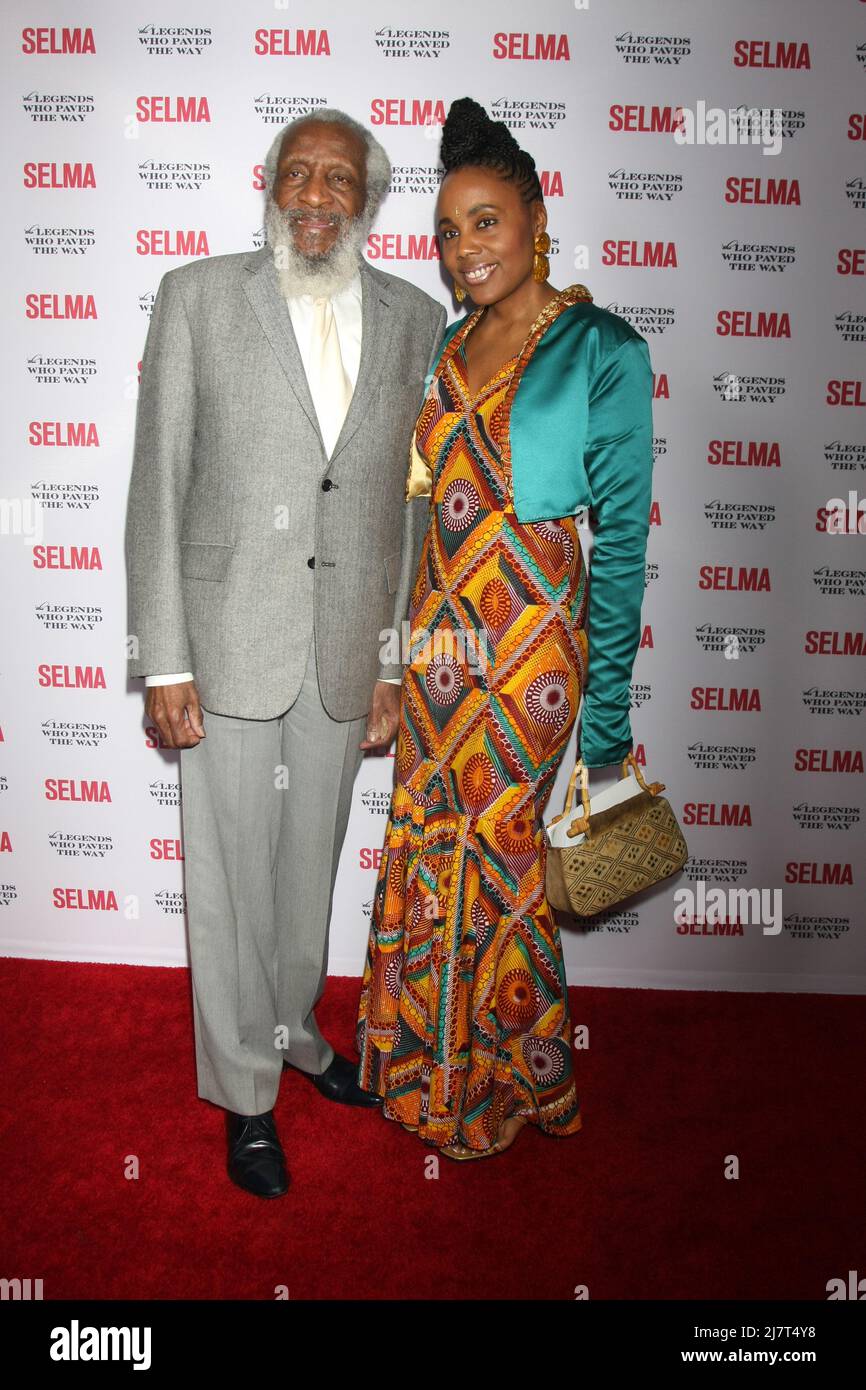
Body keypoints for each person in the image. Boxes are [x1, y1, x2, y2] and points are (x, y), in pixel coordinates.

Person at [125, 110, 446, 1198]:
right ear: (267, 184)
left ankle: (296, 1033)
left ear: (367, 200)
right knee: (224, 878)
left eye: (339, 179)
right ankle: (245, 1093)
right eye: (297, 173)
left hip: (345, 648)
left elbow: (409, 517)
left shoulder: (419, 317)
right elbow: (156, 486)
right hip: (223, 645)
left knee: (307, 868)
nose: (316, 195)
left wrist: (395, 664)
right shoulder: (198, 297)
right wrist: (163, 660)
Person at [355, 97, 654, 1160]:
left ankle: (499, 1088)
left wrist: (607, 728)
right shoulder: (445, 345)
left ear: (534, 216)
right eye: (445, 229)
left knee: (497, 851)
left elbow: (619, 549)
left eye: (484, 220)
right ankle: (420, 1067)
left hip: (530, 642)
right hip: (438, 639)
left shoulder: (602, 350)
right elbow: (408, 518)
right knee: (429, 842)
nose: (463, 248)